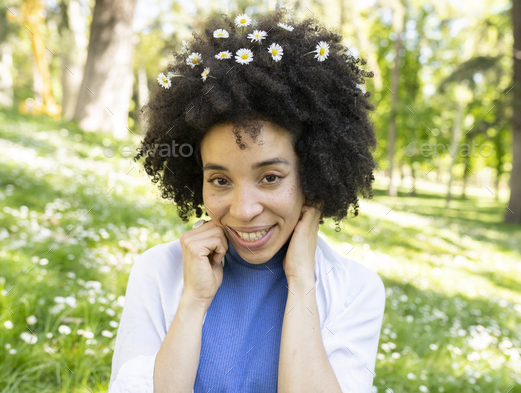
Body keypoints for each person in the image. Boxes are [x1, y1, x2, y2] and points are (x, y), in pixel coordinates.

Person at [108, 6, 385, 393]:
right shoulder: (158, 272)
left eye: (270, 178)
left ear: (315, 170)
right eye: (220, 180)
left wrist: (301, 280)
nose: (243, 210)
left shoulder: (354, 290)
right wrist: (193, 301)